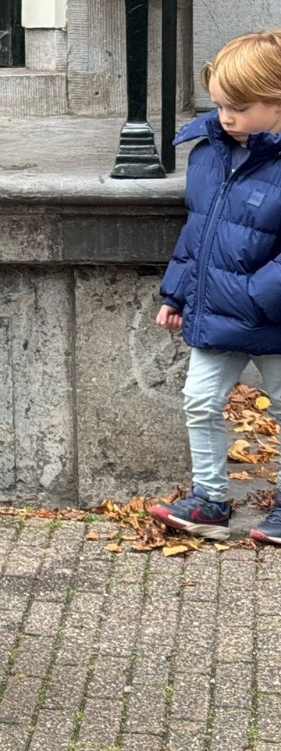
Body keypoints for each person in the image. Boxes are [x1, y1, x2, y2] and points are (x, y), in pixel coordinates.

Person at [150, 31, 281, 545]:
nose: (226, 117)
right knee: (200, 401)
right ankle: (209, 501)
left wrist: (255, 298)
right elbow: (197, 232)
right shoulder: (210, 154)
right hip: (218, 312)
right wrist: (177, 294)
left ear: (277, 102)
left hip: (271, 316)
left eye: (240, 107)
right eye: (220, 104)